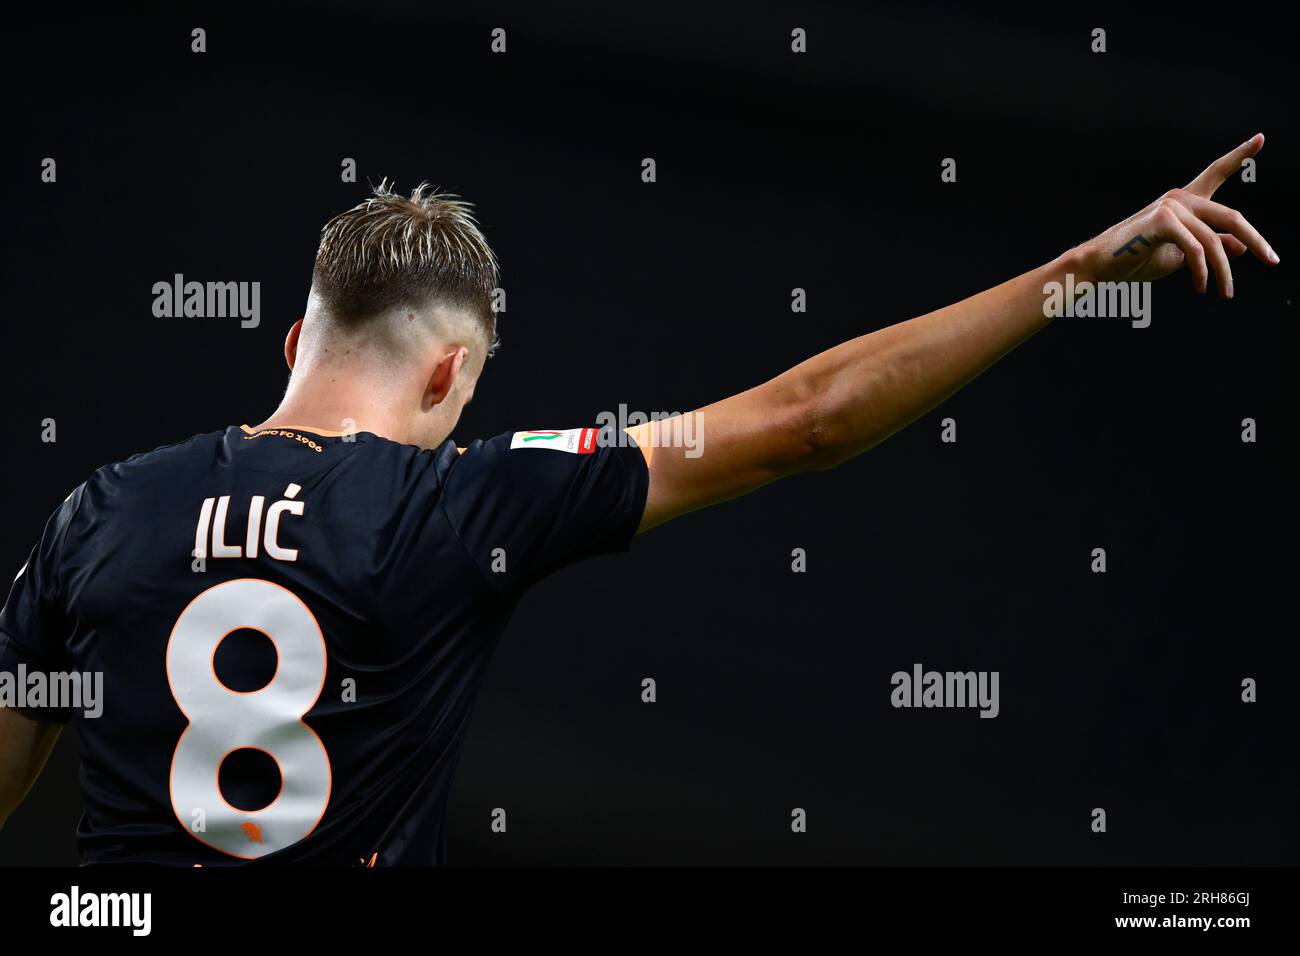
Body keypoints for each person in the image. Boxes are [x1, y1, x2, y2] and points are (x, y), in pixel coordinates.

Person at [0, 135, 1277, 865]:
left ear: (292, 342)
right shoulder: (463, 505)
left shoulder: (98, 512)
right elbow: (806, 417)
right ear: (453, 369)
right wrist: (1071, 271)